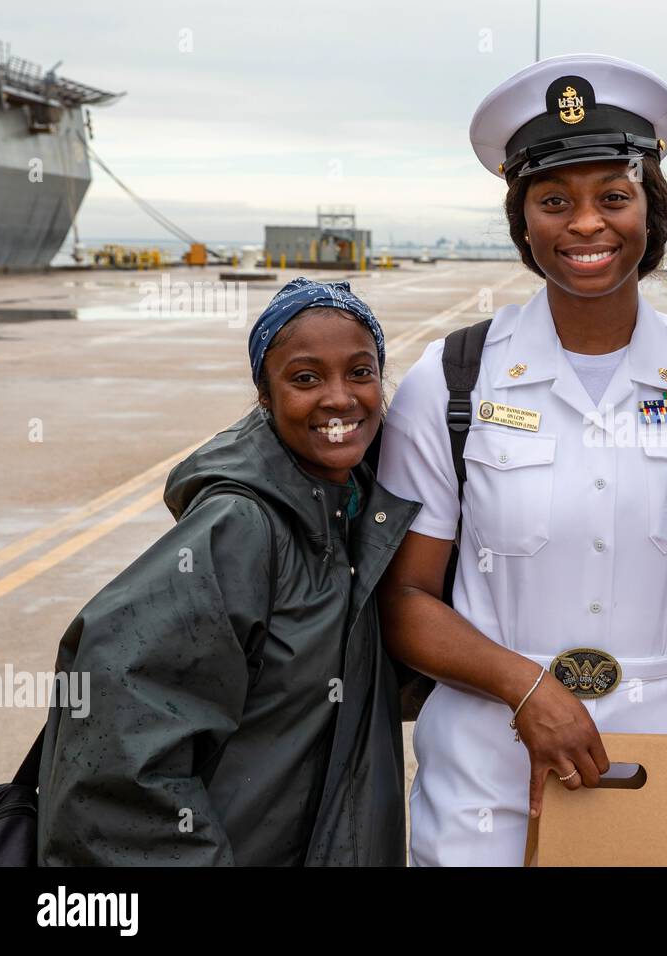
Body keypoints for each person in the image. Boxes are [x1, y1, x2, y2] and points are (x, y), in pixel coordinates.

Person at [377, 53, 667, 866]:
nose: (586, 224)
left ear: (649, 211)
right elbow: (406, 597)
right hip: (480, 793)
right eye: (554, 201)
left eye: (614, 198)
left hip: (644, 785)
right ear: (523, 222)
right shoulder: (450, 381)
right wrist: (527, 689)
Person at [37, 278, 418, 865]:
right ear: (264, 395)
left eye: (361, 373)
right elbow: (117, 731)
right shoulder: (241, 525)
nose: (340, 398)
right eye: (306, 378)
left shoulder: (360, 512)